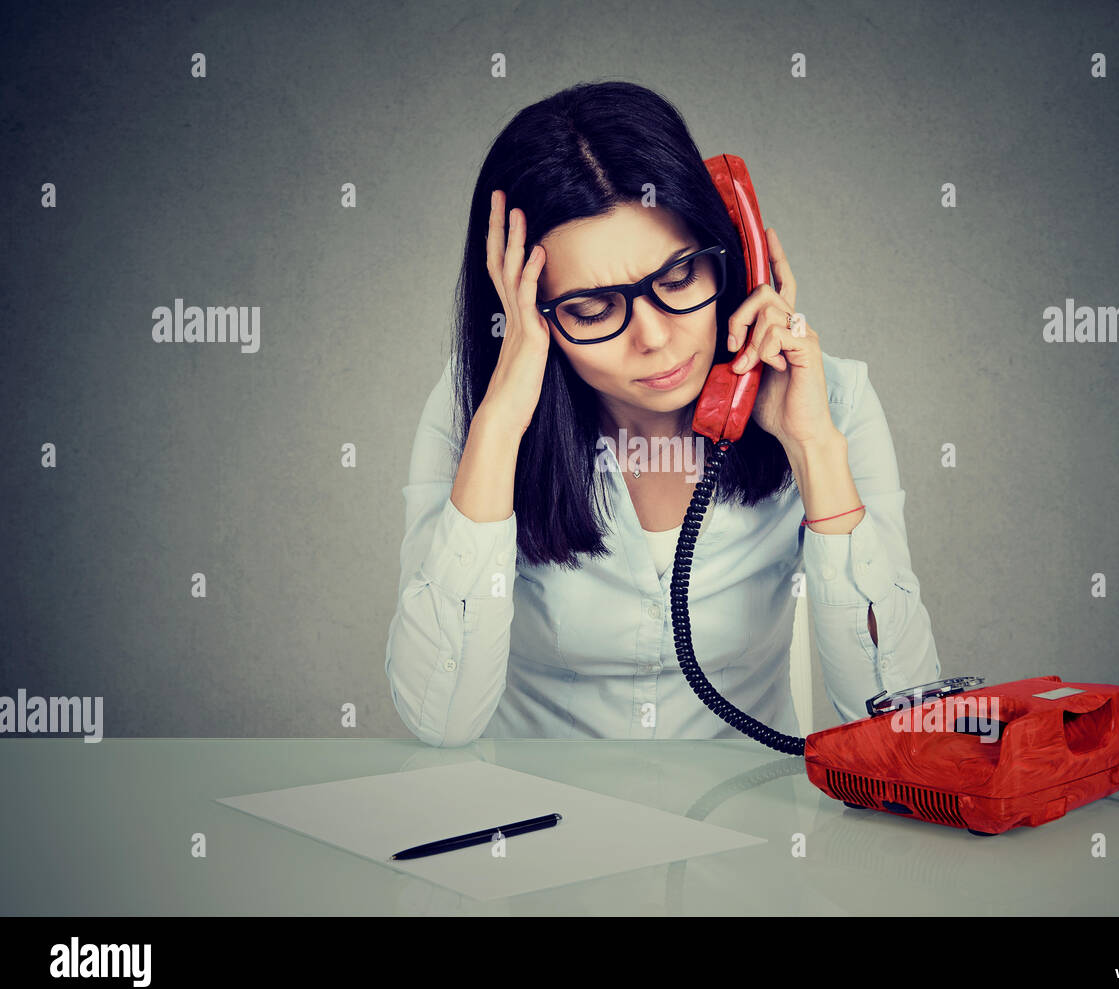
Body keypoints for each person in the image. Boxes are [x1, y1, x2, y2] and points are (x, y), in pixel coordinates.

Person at [384, 80, 941, 747]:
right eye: (592, 309)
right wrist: (500, 427)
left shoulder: (832, 400)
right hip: (537, 831)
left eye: (678, 278)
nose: (652, 336)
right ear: (531, 310)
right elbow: (438, 720)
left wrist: (814, 448)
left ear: (732, 256)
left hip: (745, 828)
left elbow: (900, 726)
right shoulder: (478, 408)